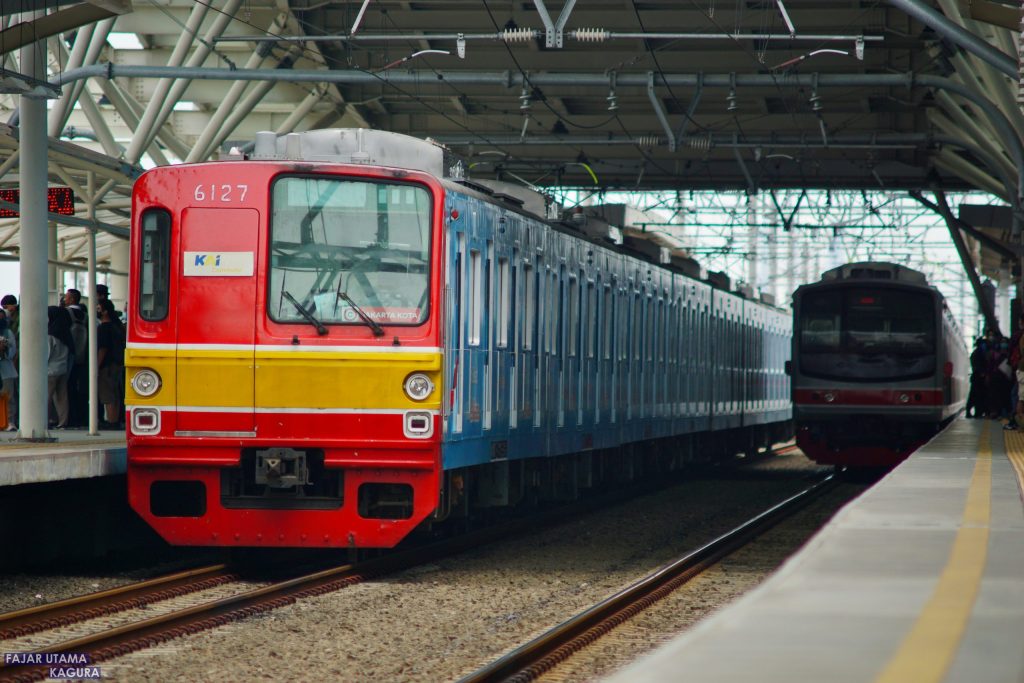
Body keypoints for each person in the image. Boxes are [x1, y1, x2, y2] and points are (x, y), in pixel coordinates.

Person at [97, 299, 125, 429]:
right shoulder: (117, 326)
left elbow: (103, 348)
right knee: (115, 393)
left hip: (107, 366)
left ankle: (111, 421)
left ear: (105, 311)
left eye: (98, 308)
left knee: (107, 394)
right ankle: (115, 420)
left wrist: (96, 366)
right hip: (117, 363)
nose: (97, 311)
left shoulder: (104, 328)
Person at [62, 288, 89, 427]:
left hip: (69, 354)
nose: (64, 299)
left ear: (72, 299)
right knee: (81, 388)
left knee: (68, 387)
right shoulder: (85, 315)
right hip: (83, 354)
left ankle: (71, 418)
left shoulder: (67, 313)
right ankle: (82, 416)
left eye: (66, 297)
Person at [47, 306, 73, 429]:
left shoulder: (50, 335)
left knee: (46, 397)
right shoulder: (66, 334)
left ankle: (44, 420)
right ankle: (63, 422)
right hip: (63, 369)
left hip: (50, 371)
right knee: (62, 397)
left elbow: (46, 355)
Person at [0, 309, 17, 431]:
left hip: (6, 368)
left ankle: (10, 421)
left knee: (8, 396)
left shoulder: (8, 332)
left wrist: (3, 350)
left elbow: (13, 351)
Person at [966, 337, 988, 418]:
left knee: (974, 395)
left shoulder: (976, 352)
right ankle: (977, 413)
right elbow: (978, 366)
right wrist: (982, 373)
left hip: (976, 377)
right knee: (977, 396)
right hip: (978, 378)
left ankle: (972, 412)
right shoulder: (979, 353)